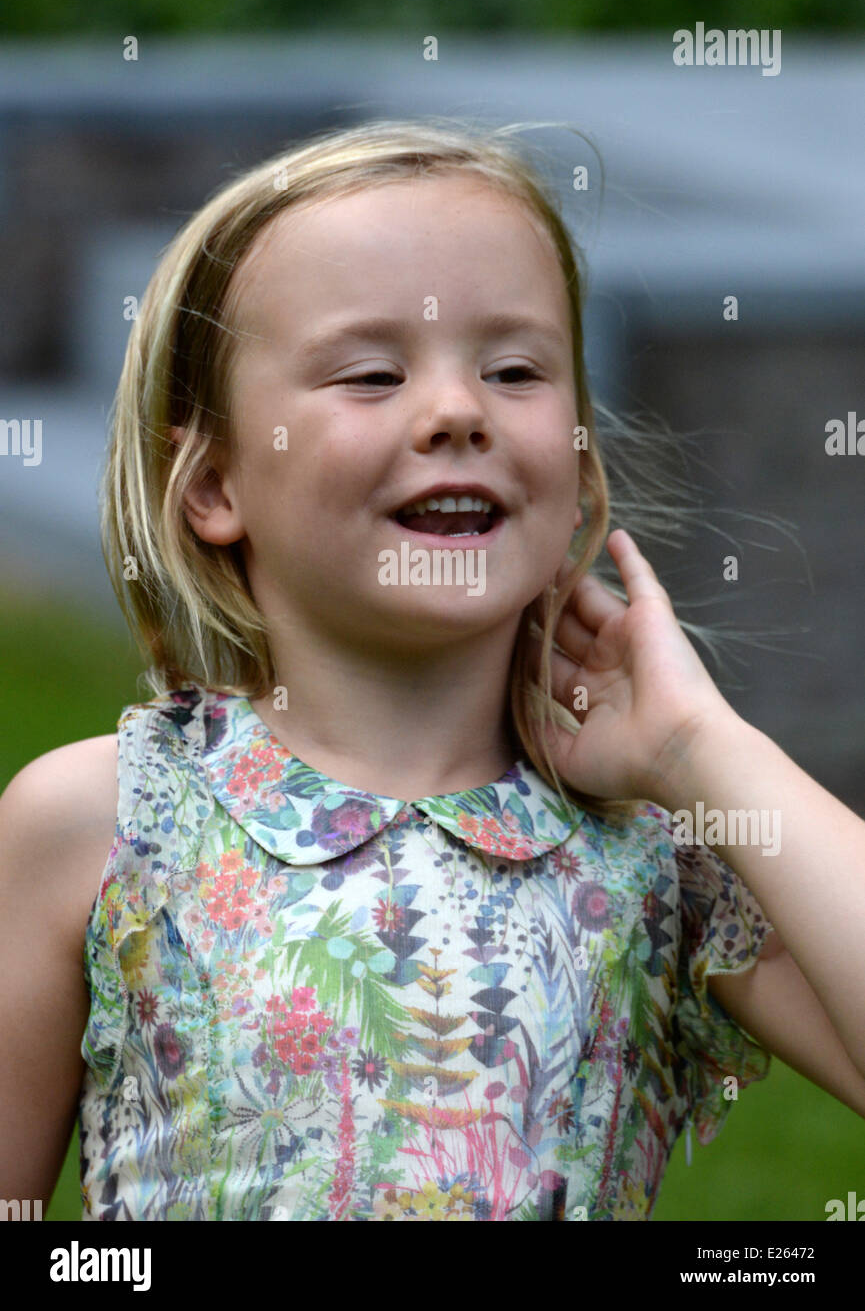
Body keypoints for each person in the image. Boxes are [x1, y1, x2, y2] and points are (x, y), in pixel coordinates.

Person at [1, 118, 863, 1223]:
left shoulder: (659, 852)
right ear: (215, 481)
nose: (458, 411)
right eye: (370, 374)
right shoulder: (105, 821)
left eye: (514, 369)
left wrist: (705, 749)